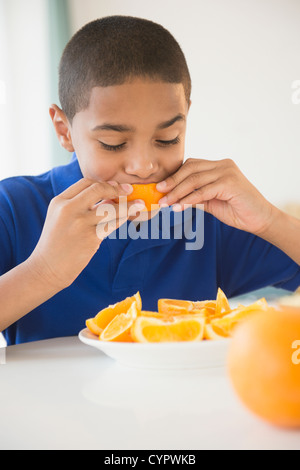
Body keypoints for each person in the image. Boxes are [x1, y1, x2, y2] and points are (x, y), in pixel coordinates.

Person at [0, 16, 299, 345]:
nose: (144, 167)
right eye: (113, 143)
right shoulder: (13, 208)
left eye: (168, 138)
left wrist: (270, 220)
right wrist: (44, 271)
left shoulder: (207, 216)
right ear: (64, 130)